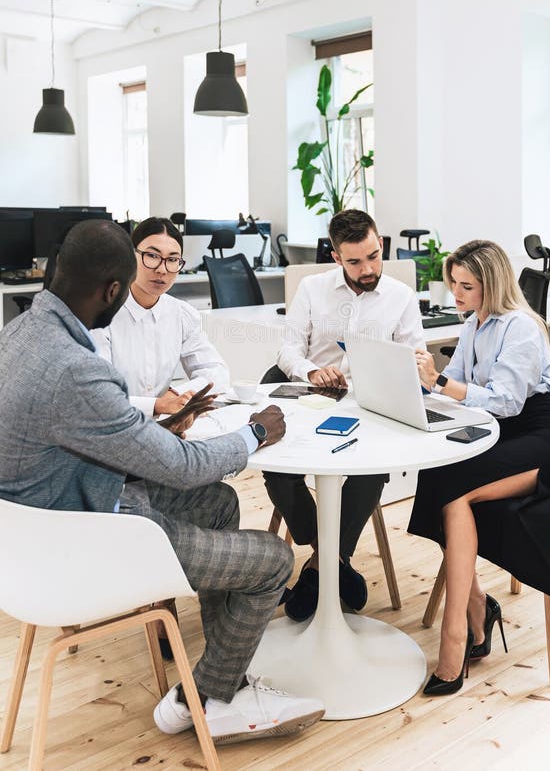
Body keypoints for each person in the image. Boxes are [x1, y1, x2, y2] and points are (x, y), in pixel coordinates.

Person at [0, 219, 324, 743]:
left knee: (218, 502)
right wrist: (254, 434)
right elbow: (179, 465)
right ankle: (208, 700)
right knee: (274, 560)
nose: (158, 272)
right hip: (83, 537)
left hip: (34, 531)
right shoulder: (75, 367)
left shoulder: (18, 334)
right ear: (113, 289)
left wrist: (144, 432)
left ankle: (227, 677)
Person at [408, 239, 550, 696]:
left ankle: (458, 639)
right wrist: (418, 388)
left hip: (547, 437)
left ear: (493, 284)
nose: (457, 294)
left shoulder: (521, 327)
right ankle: (477, 612)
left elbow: (505, 401)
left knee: (451, 490)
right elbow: (463, 390)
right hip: (502, 431)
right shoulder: (473, 325)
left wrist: (441, 384)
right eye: (454, 284)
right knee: (439, 473)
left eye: (467, 286)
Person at [271, 209, 425, 622]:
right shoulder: (311, 289)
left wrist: (415, 366)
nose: (368, 268)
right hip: (312, 398)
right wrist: (311, 370)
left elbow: (414, 357)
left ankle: (322, 562)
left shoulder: (400, 297)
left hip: (371, 404)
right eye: (355, 261)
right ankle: (331, 555)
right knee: (278, 468)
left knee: (371, 469)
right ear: (336, 256)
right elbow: (287, 351)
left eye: (375, 256)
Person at [92, 216, 229, 416]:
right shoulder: (100, 315)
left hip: (163, 427)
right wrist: (157, 406)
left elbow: (217, 373)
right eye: (152, 256)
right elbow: (98, 395)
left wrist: (176, 394)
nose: (162, 269)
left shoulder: (182, 314)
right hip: (110, 429)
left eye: (173, 260)